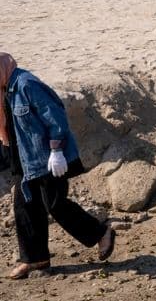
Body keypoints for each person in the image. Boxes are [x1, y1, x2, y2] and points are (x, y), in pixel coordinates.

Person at [2, 53, 116, 280]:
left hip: (46, 158)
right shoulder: (4, 89)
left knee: (54, 204)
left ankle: (102, 233)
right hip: (25, 159)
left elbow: (55, 117)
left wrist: (56, 150)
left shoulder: (26, 84)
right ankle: (35, 260)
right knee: (25, 207)